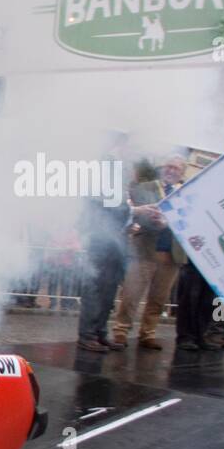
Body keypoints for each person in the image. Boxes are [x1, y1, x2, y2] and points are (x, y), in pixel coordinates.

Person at [112, 155, 185, 350]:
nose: (171, 171)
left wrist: (169, 225)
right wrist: (156, 222)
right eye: (169, 166)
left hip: (171, 254)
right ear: (162, 169)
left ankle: (148, 333)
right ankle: (120, 331)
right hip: (144, 249)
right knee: (131, 294)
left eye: (176, 168)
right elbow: (139, 215)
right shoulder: (147, 188)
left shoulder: (186, 194)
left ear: (182, 173)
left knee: (159, 298)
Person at [76, 140, 131, 353]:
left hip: (114, 243)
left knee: (108, 290)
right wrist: (133, 213)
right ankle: (88, 334)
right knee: (95, 289)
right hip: (99, 242)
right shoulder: (98, 183)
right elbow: (110, 209)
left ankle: (99, 332)